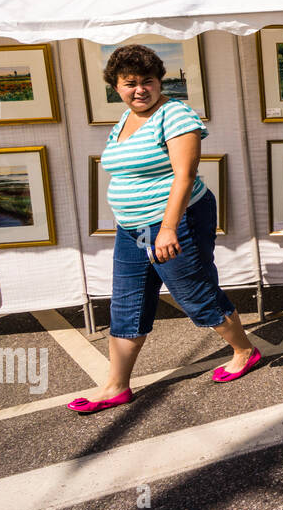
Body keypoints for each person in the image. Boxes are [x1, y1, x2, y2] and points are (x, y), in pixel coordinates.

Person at [67, 45, 258, 414]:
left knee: (193, 292)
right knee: (127, 300)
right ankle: (115, 386)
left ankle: (244, 351)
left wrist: (167, 228)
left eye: (147, 81)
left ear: (159, 82)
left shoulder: (175, 114)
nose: (139, 89)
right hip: (133, 227)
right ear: (116, 86)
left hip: (174, 220)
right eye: (129, 83)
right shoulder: (124, 120)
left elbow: (184, 176)